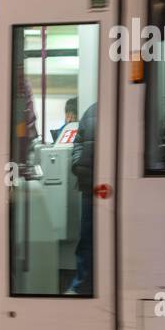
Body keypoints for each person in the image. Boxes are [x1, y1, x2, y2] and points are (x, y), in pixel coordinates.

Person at [66, 101, 97, 295]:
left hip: (119, 189)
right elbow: (78, 142)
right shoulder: (91, 111)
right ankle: (80, 285)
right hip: (90, 186)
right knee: (86, 238)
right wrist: (79, 166)